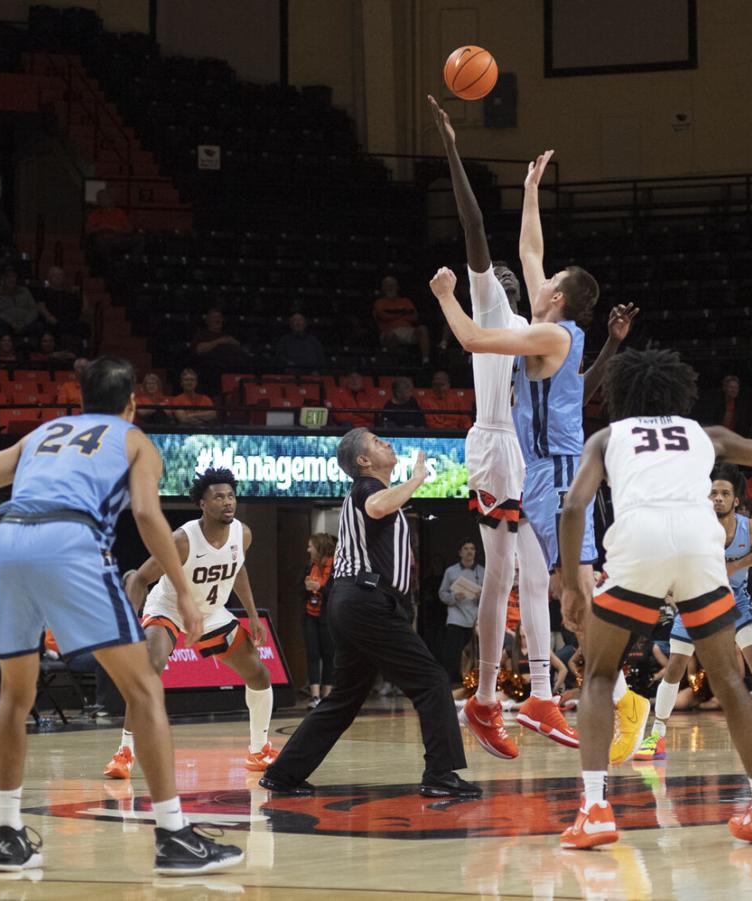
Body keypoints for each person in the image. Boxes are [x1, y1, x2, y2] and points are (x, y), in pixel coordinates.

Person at [0, 357, 243, 875]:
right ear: (132, 403)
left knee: (16, 696)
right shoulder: (134, 440)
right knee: (145, 690)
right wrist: (183, 590)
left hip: (10, 540)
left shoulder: (44, 433)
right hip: (72, 541)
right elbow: (148, 516)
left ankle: (8, 836)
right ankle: (174, 835)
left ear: (80, 400)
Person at [555, 347, 752, 850]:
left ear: (623, 395)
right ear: (679, 393)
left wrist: (568, 582)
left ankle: (596, 808)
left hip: (639, 543)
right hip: (697, 543)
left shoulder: (607, 436)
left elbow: (574, 505)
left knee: (600, 676)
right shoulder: (705, 435)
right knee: (731, 680)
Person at [428, 99, 641, 760]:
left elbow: (516, 252)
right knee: (517, 578)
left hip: (532, 457)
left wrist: (446, 303)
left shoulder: (536, 329)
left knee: (532, 578)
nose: (527, 275)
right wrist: (522, 188)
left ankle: (526, 693)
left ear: (549, 295)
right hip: (508, 448)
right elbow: (505, 243)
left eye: (538, 280)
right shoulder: (519, 313)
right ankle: (503, 694)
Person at [258, 430, 481, 800]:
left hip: (357, 602)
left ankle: (283, 774)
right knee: (432, 682)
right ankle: (440, 774)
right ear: (363, 461)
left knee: (345, 697)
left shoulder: (373, 493)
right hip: (364, 600)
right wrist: (418, 478)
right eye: (378, 442)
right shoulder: (365, 488)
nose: (388, 444)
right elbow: (378, 507)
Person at [633, 464, 752, 764]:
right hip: (697, 602)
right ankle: (656, 736)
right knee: (675, 667)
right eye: (713, 493)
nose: (717, 498)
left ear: (736, 500)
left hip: (736, 605)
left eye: (724, 493)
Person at [106, 467, 276, 778]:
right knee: (151, 668)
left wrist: (251, 614)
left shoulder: (243, 533)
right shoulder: (182, 540)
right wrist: (130, 621)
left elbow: (237, 570)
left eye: (231, 496)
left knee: (259, 672)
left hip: (211, 613)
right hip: (169, 609)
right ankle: (125, 751)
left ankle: (258, 749)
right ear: (203, 504)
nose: (227, 502)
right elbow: (141, 578)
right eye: (218, 497)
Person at [436, 539, 483, 689]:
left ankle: (473, 682)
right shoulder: (451, 571)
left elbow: (490, 594)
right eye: (466, 549)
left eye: (472, 548)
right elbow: (442, 593)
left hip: (475, 619)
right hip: (456, 617)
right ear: (460, 552)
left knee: (475, 653)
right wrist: (454, 597)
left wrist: (481, 595)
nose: (470, 552)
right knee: (452, 653)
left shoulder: (482, 571)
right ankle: (452, 683)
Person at [301, 533, 335, 707]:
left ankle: (327, 694)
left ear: (319, 548)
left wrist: (320, 587)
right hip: (311, 614)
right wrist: (307, 587)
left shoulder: (336, 566)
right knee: (312, 653)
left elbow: (336, 592)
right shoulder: (310, 566)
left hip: (328, 617)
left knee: (329, 655)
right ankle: (315, 696)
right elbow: (301, 589)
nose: (308, 549)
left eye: (310, 546)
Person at [373, 275, 432, 364]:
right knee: (390, 336)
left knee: (423, 329)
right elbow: (383, 316)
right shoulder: (379, 302)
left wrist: (393, 313)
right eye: (388, 286)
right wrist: (403, 313)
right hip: (389, 330)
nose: (391, 288)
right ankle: (393, 362)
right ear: (383, 288)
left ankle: (425, 361)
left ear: (397, 287)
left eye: (393, 285)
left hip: (407, 330)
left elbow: (414, 316)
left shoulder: (405, 301)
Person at [0, 266, 55, 340]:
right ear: (3, 278)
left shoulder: (25, 291)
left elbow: (34, 310)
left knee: (39, 326)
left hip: (25, 324)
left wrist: (24, 323)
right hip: (6, 324)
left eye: (14, 276)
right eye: (8, 277)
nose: (11, 279)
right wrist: (11, 323)